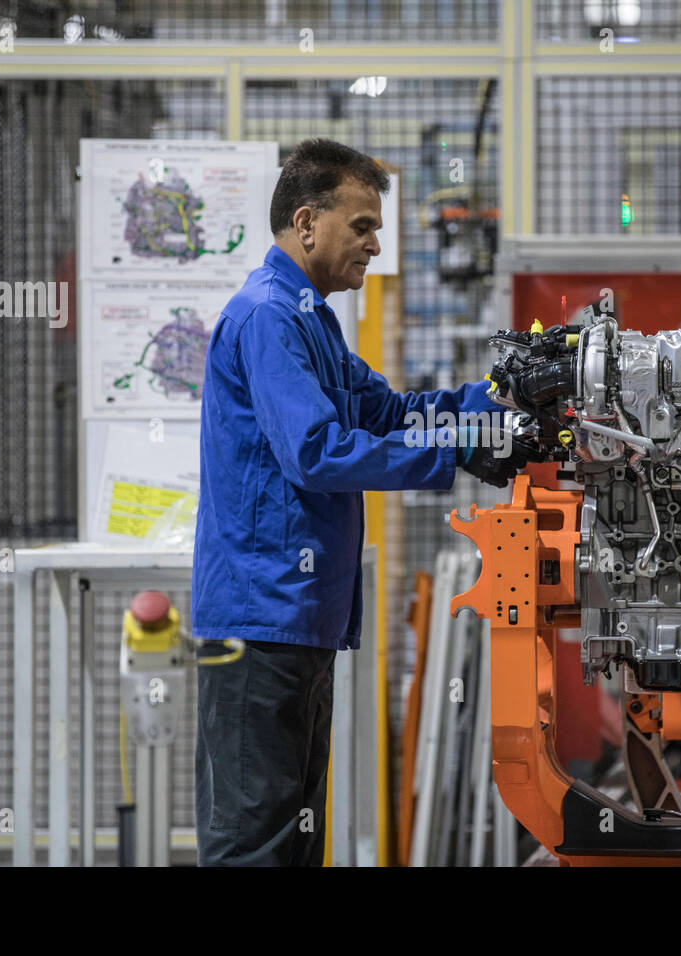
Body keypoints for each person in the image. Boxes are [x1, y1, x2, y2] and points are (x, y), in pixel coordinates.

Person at [192, 138, 519, 866]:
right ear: (306, 222)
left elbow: (391, 411)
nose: (376, 244)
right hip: (261, 618)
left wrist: (496, 404)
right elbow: (315, 451)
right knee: (256, 845)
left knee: (290, 840)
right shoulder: (269, 317)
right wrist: (458, 451)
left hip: (298, 617)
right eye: (363, 226)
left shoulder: (311, 318)